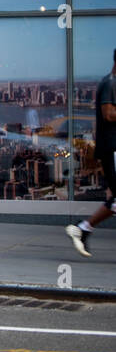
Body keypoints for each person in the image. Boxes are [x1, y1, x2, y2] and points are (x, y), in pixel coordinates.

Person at [68, 48, 116, 257]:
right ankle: (83, 228)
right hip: (113, 149)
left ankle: (83, 228)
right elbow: (109, 114)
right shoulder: (110, 83)